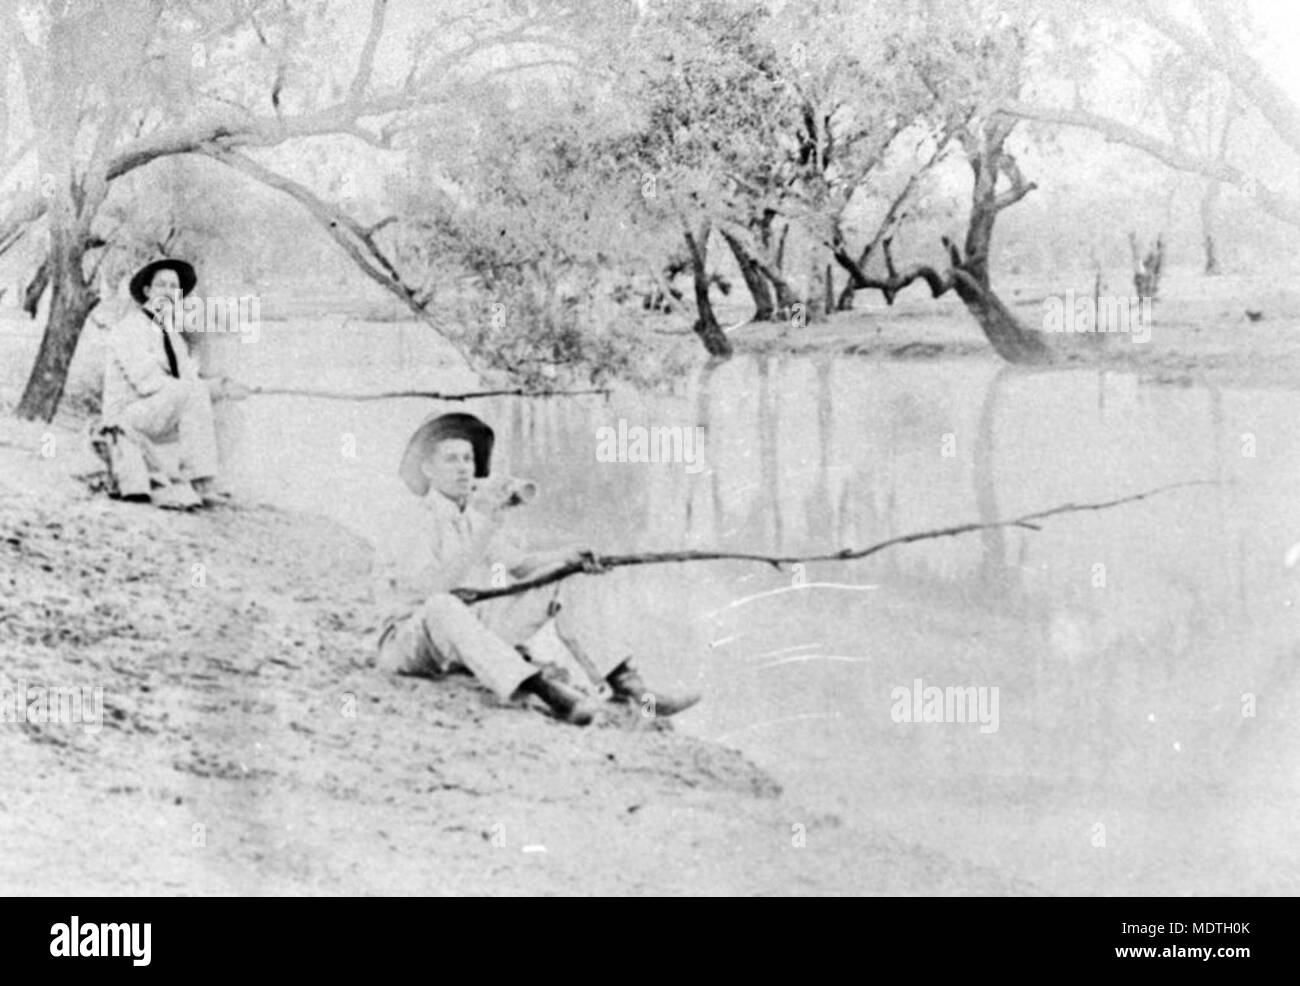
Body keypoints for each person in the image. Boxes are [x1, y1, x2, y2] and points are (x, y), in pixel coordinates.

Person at [374, 412, 700, 726]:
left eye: (467, 459)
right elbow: (436, 590)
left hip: (461, 637)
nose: (463, 469)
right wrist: (488, 525)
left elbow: (520, 566)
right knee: (443, 605)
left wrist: (569, 558)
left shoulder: (471, 516)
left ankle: (631, 689)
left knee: (562, 577)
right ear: (428, 469)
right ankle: (547, 692)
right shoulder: (412, 518)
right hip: (409, 643)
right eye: (451, 460)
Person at [101, 258, 229, 509]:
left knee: (210, 400)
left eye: (174, 287)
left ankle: (201, 479)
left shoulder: (170, 333)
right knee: (195, 393)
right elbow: (146, 382)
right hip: (126, 416)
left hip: (155, 410)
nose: (168, 292)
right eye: (162, 285)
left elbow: (188, 379)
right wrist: (198, 389)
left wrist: (219, 387)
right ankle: (200, 480)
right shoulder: (129, 328)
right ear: (148, 291)